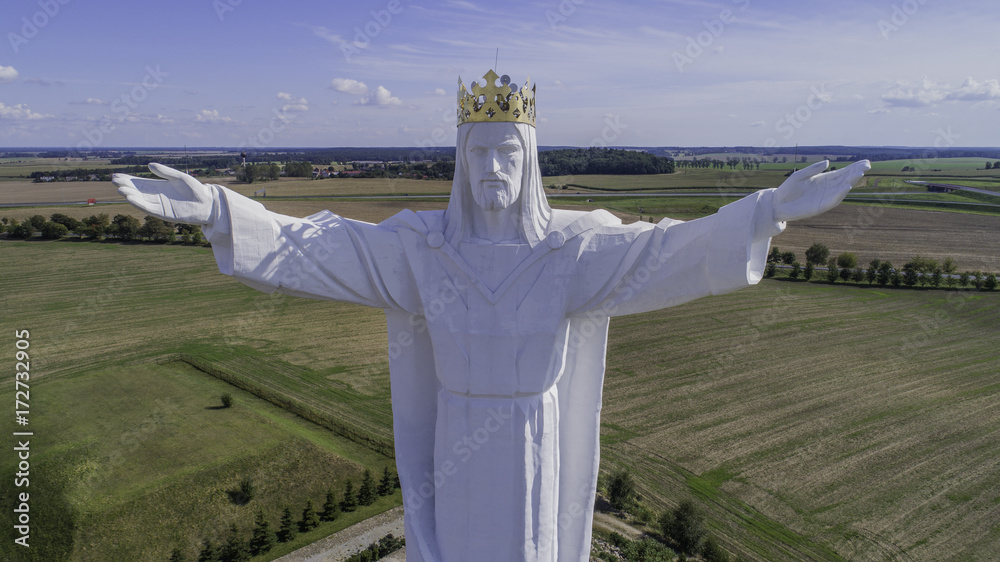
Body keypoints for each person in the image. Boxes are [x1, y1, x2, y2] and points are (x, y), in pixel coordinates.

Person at [113, 70, 869, 562]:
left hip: (534, 438)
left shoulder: (573, 250)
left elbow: (667, 254)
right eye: (480, 154)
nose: (494, 169)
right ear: (462, 163)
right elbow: (323, 246)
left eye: (509, 152)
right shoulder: (423, 248)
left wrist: (766, 213)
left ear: (530, 162)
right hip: (458, 434)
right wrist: (219, 209)